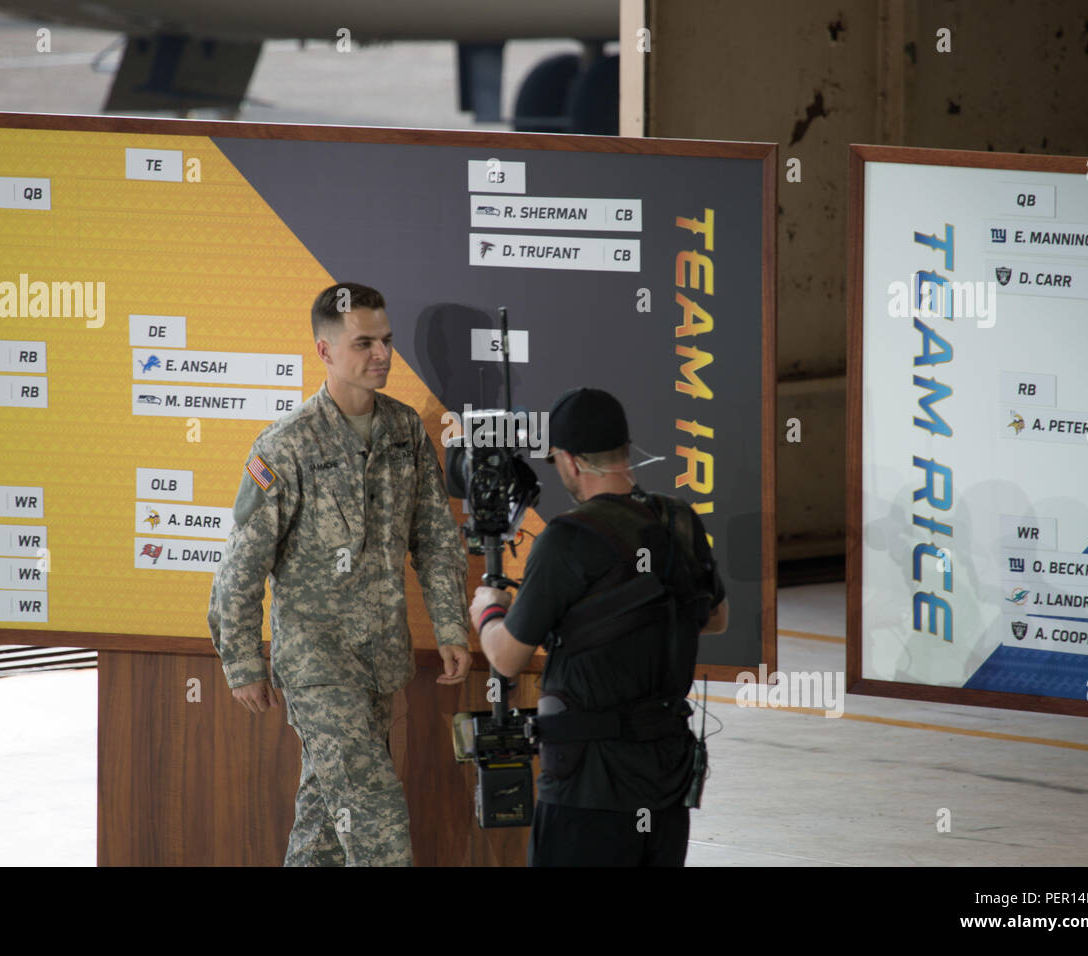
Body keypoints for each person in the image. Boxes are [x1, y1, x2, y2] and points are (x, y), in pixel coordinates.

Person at [208, 281, 473, 867]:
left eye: (386, 341)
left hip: (381, 659)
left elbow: (432, 537)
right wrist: (244, 661)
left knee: (327, 817)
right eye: (363, 343)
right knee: (377, 817)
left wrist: (452, 627)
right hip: (316, 665)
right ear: (326, 352)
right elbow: (241, 565)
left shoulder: (405, 432)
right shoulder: (286, 446)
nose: (380, 355)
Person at [469, 387, 728, 867]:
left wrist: (488, 609)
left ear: (569, 461)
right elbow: (714, 617)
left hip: (586, 790)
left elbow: (506, 656)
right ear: (624, 451)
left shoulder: (566, 540)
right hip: (666, 786)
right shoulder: (679, 520)